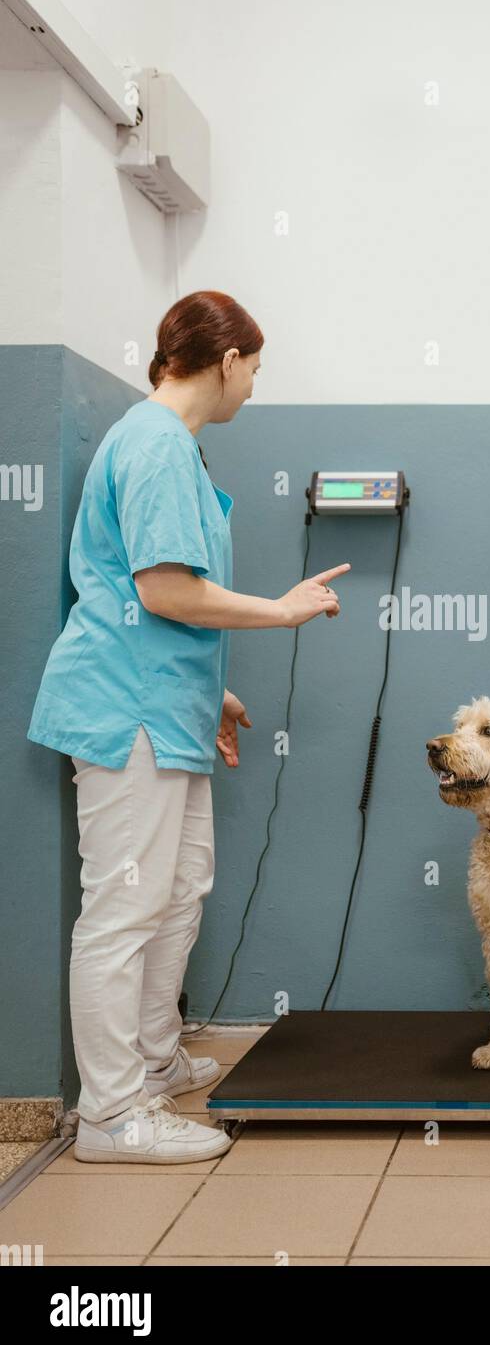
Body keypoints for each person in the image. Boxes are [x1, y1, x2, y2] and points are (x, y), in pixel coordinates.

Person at [27, 290, 351, 1165]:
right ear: (227, 359)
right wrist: (279, 614)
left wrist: (213, 695)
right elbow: (162, 589)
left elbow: (162, 605)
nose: (254, 385)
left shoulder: (171, 446)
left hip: (163, 704)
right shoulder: (159, 445)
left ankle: (153, 1061)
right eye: (255, 368)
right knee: (124, 910)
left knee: (180, 888)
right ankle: (110, 1115)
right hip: (125, 709)